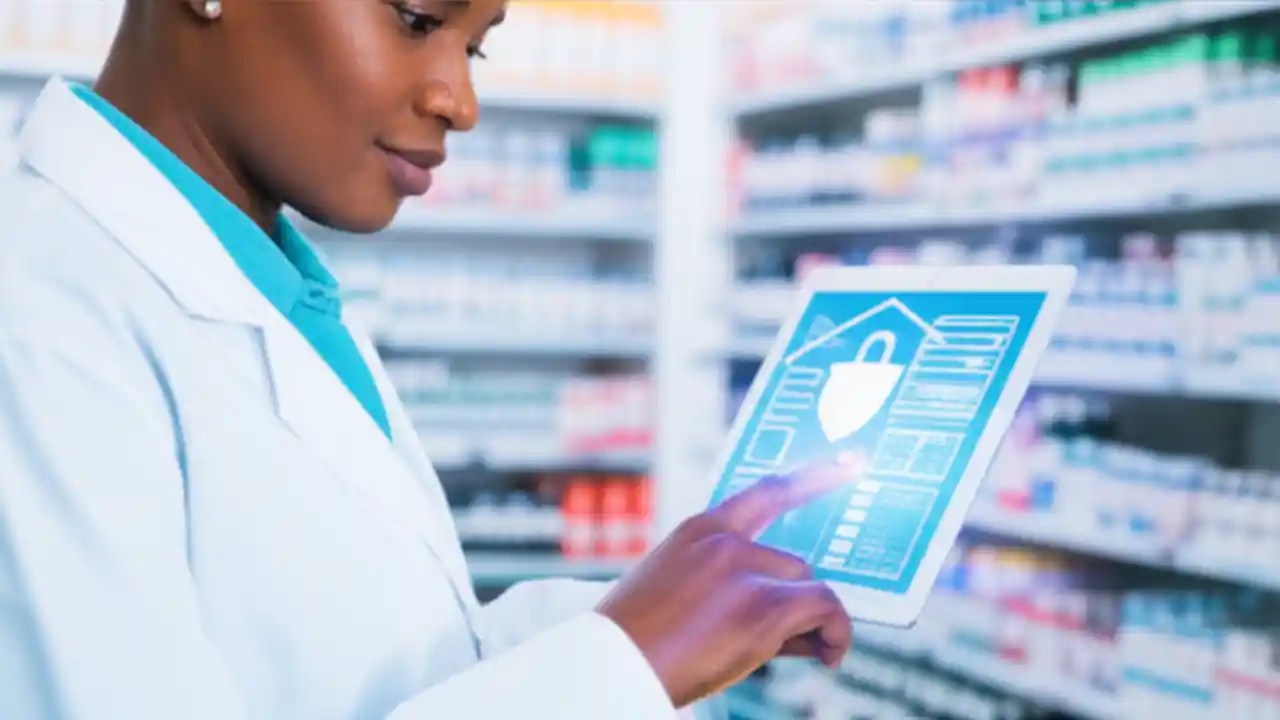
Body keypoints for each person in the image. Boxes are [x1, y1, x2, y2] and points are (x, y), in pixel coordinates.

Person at [0, 0, 858, 718]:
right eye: (417, 20)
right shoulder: (39, 312)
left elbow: (385, 659)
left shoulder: (271, 282)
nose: (461, 100)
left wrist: (644, 619)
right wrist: (613, 666)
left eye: (475, 44)